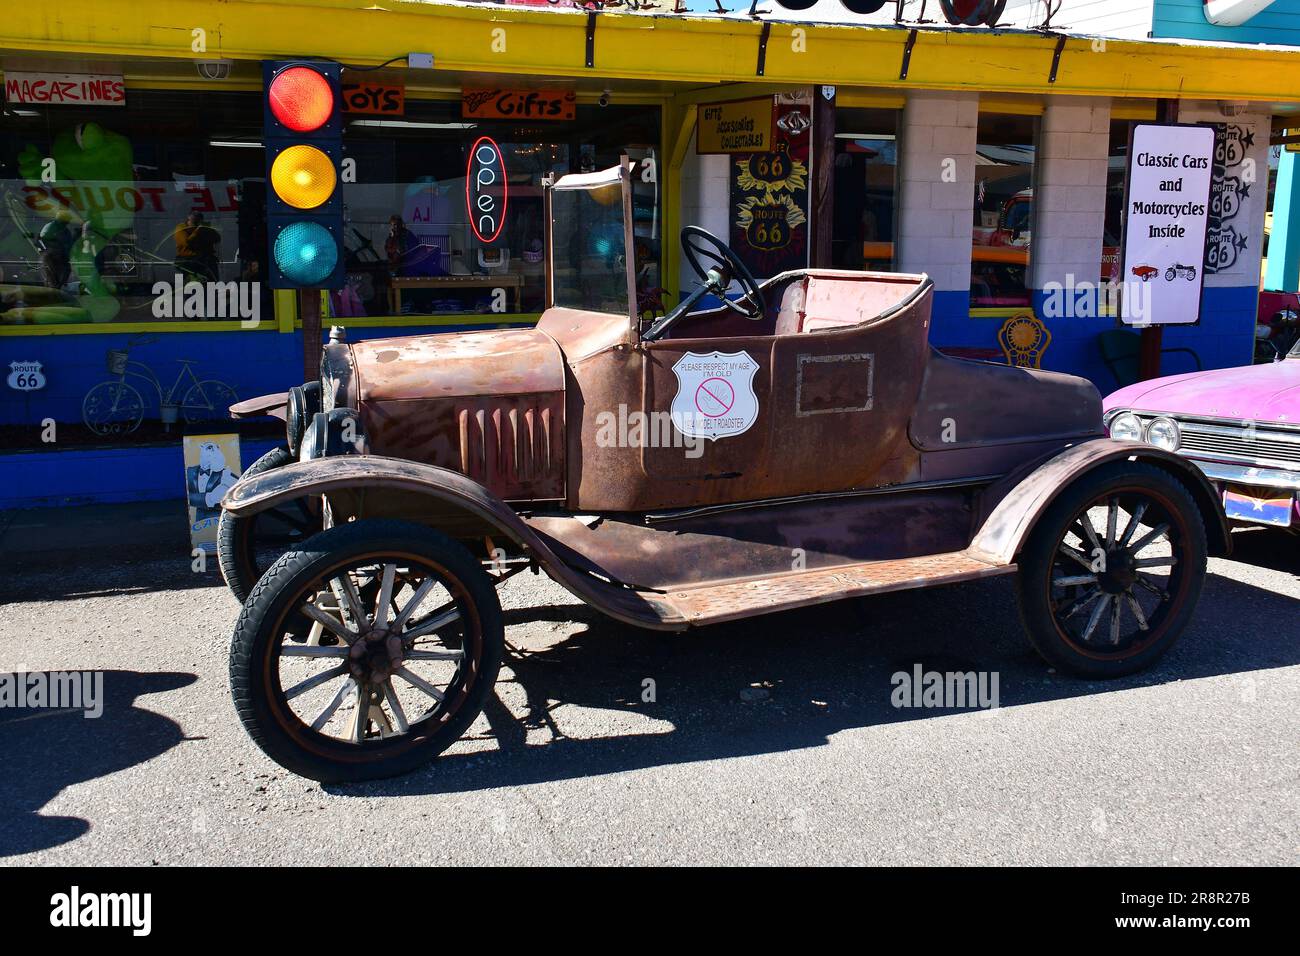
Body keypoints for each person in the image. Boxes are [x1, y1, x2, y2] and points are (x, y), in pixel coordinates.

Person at [174, 212, 220, 282]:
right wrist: (197, 230)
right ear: (188, 220)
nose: (196, 224)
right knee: (194, 281)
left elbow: (217, 239)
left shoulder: (202, 228)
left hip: (205, 258)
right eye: (194, 222)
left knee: (212, 279)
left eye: (198, 222)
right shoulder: (181, 228)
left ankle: (212, 288)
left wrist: (209, 230)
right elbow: (187, 243)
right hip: (188, 259)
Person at [38, 215, 74, 289]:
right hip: (51, 256)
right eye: (67, 220)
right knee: (52, 278)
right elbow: (42, 240)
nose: (68, 222)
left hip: (60, 257)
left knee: (60, 275)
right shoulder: (51, 227)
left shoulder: (65, 231)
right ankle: (54, 289)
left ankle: (57, 288)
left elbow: (69, 245)